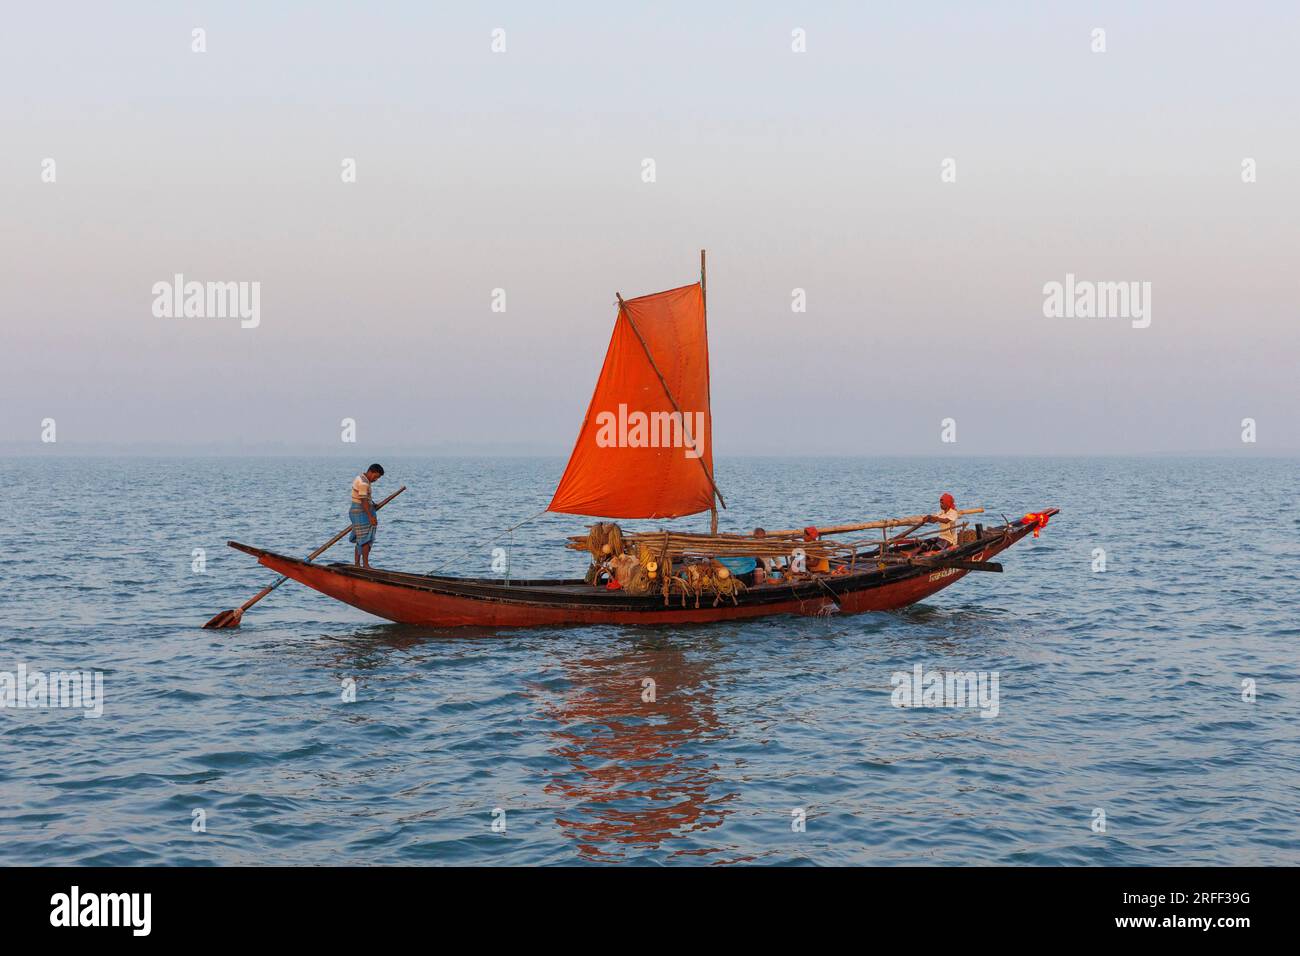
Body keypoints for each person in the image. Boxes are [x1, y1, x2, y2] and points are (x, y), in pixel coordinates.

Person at [349, 464, 384, 567]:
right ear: (371, 472)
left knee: (361, 538)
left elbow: (364, 497)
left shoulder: (361, 478)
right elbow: (363, 501)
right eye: (376, 476)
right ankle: (365, 565)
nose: (376, 479)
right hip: (361, 511)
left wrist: (372, 504)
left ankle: (357, 564)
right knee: (365, 539)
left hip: (358, 510)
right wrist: (370, 517)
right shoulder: (364, 483)